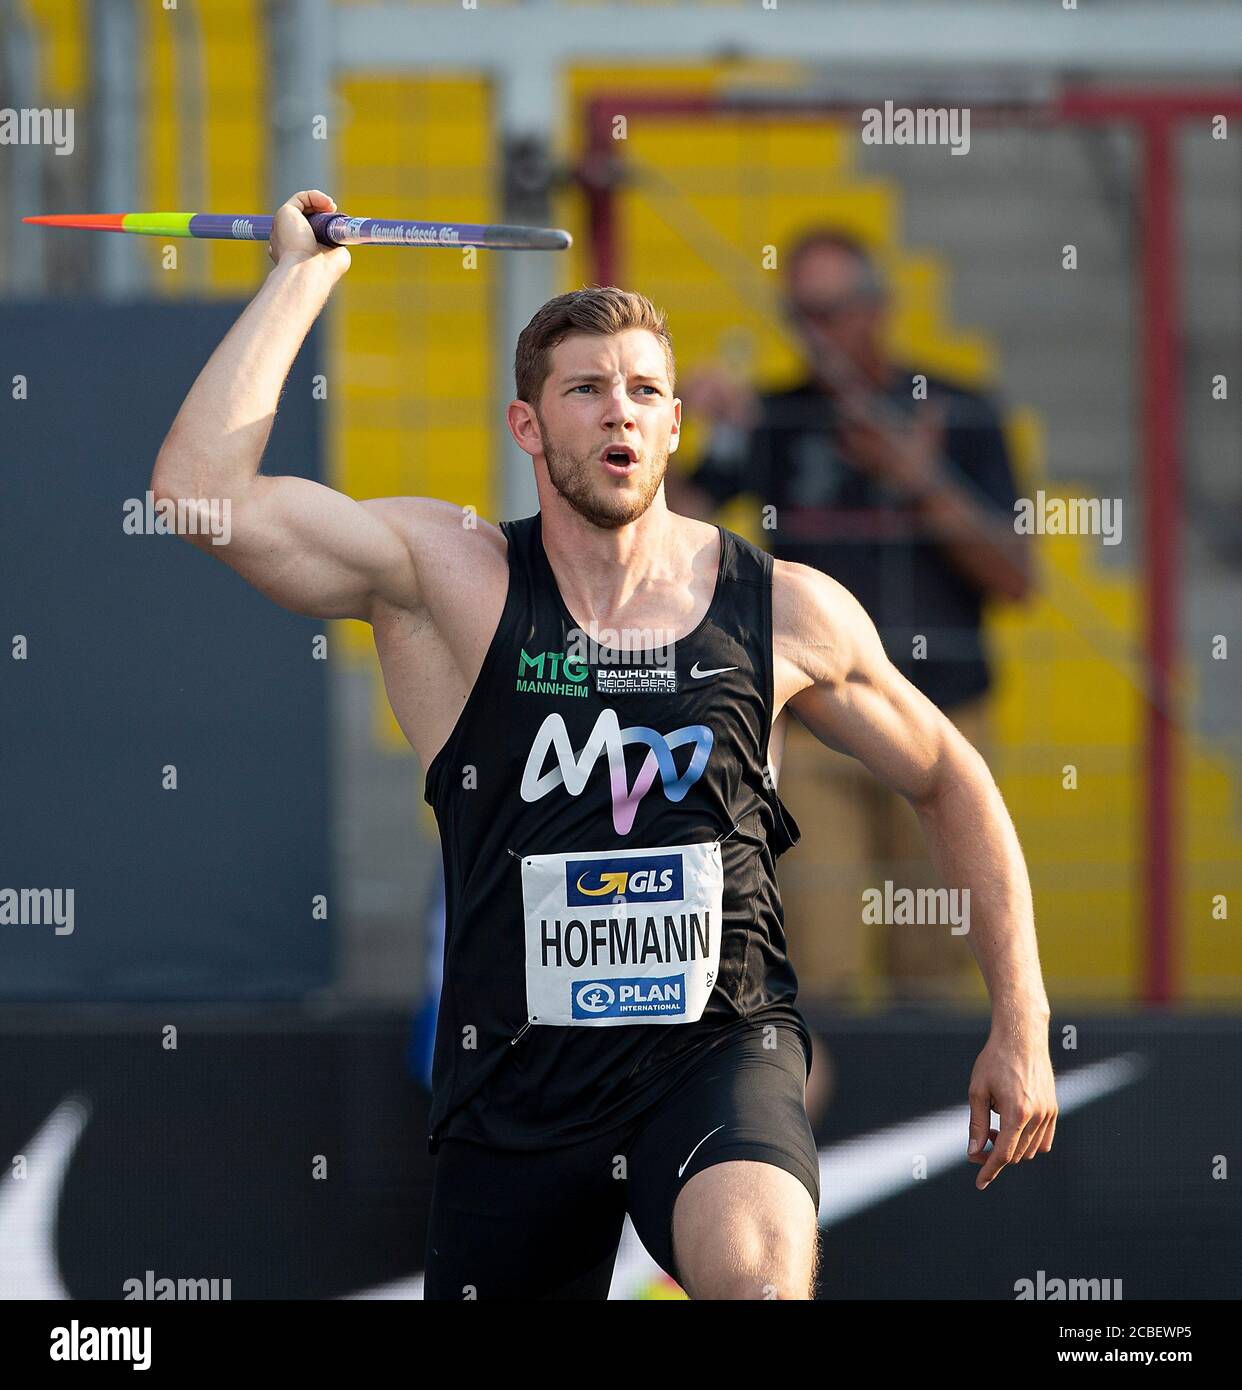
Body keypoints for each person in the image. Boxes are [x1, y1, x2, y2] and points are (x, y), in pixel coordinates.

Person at [151, 190, 1057, 1300]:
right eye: (584, 390)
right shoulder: (453, 577)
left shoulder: (786, 610)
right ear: (527, 425)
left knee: (760, 1281)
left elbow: (948, 774)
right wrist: (303, 276)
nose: (617, 413)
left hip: (718, 1050)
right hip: (514, 1083)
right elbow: (199, 498)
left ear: (677, 425)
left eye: (642, 391)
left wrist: (1021, 1019)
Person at [668, 228, 1033, 1004]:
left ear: (879, 309)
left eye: (834, 311)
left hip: (943, 721)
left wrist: (921, 478)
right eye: (802, 315)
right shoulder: (774, 417)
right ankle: (821, 1124)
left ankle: (936, 1123)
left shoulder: (960, 411)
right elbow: (657, 543)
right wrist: (690, 432)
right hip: (816, 723)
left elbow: (1017, 576)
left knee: (936, 976)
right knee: (816, 965)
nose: (819, 335)